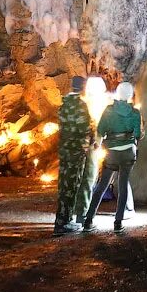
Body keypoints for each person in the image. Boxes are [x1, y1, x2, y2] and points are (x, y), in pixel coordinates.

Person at [82, 82, 142, 233]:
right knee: (123, 186)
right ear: (129, 95)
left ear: (117, 93)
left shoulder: (108, 110)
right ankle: (118, 222)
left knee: (102, 185)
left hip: (112, 153)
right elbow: (138, 135)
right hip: (128, 152)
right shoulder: (135, 113)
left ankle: (89, 220)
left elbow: (100, 131)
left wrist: (98, 146)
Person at [54, 76, 95, 235]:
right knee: (72, 186)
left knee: (63, 186)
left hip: (64, 150)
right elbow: (85, 128)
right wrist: (91, 141)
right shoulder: (81, 106)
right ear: (83, 87)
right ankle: (64, 223)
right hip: (76, 151)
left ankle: (61, 219)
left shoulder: (64, 105)